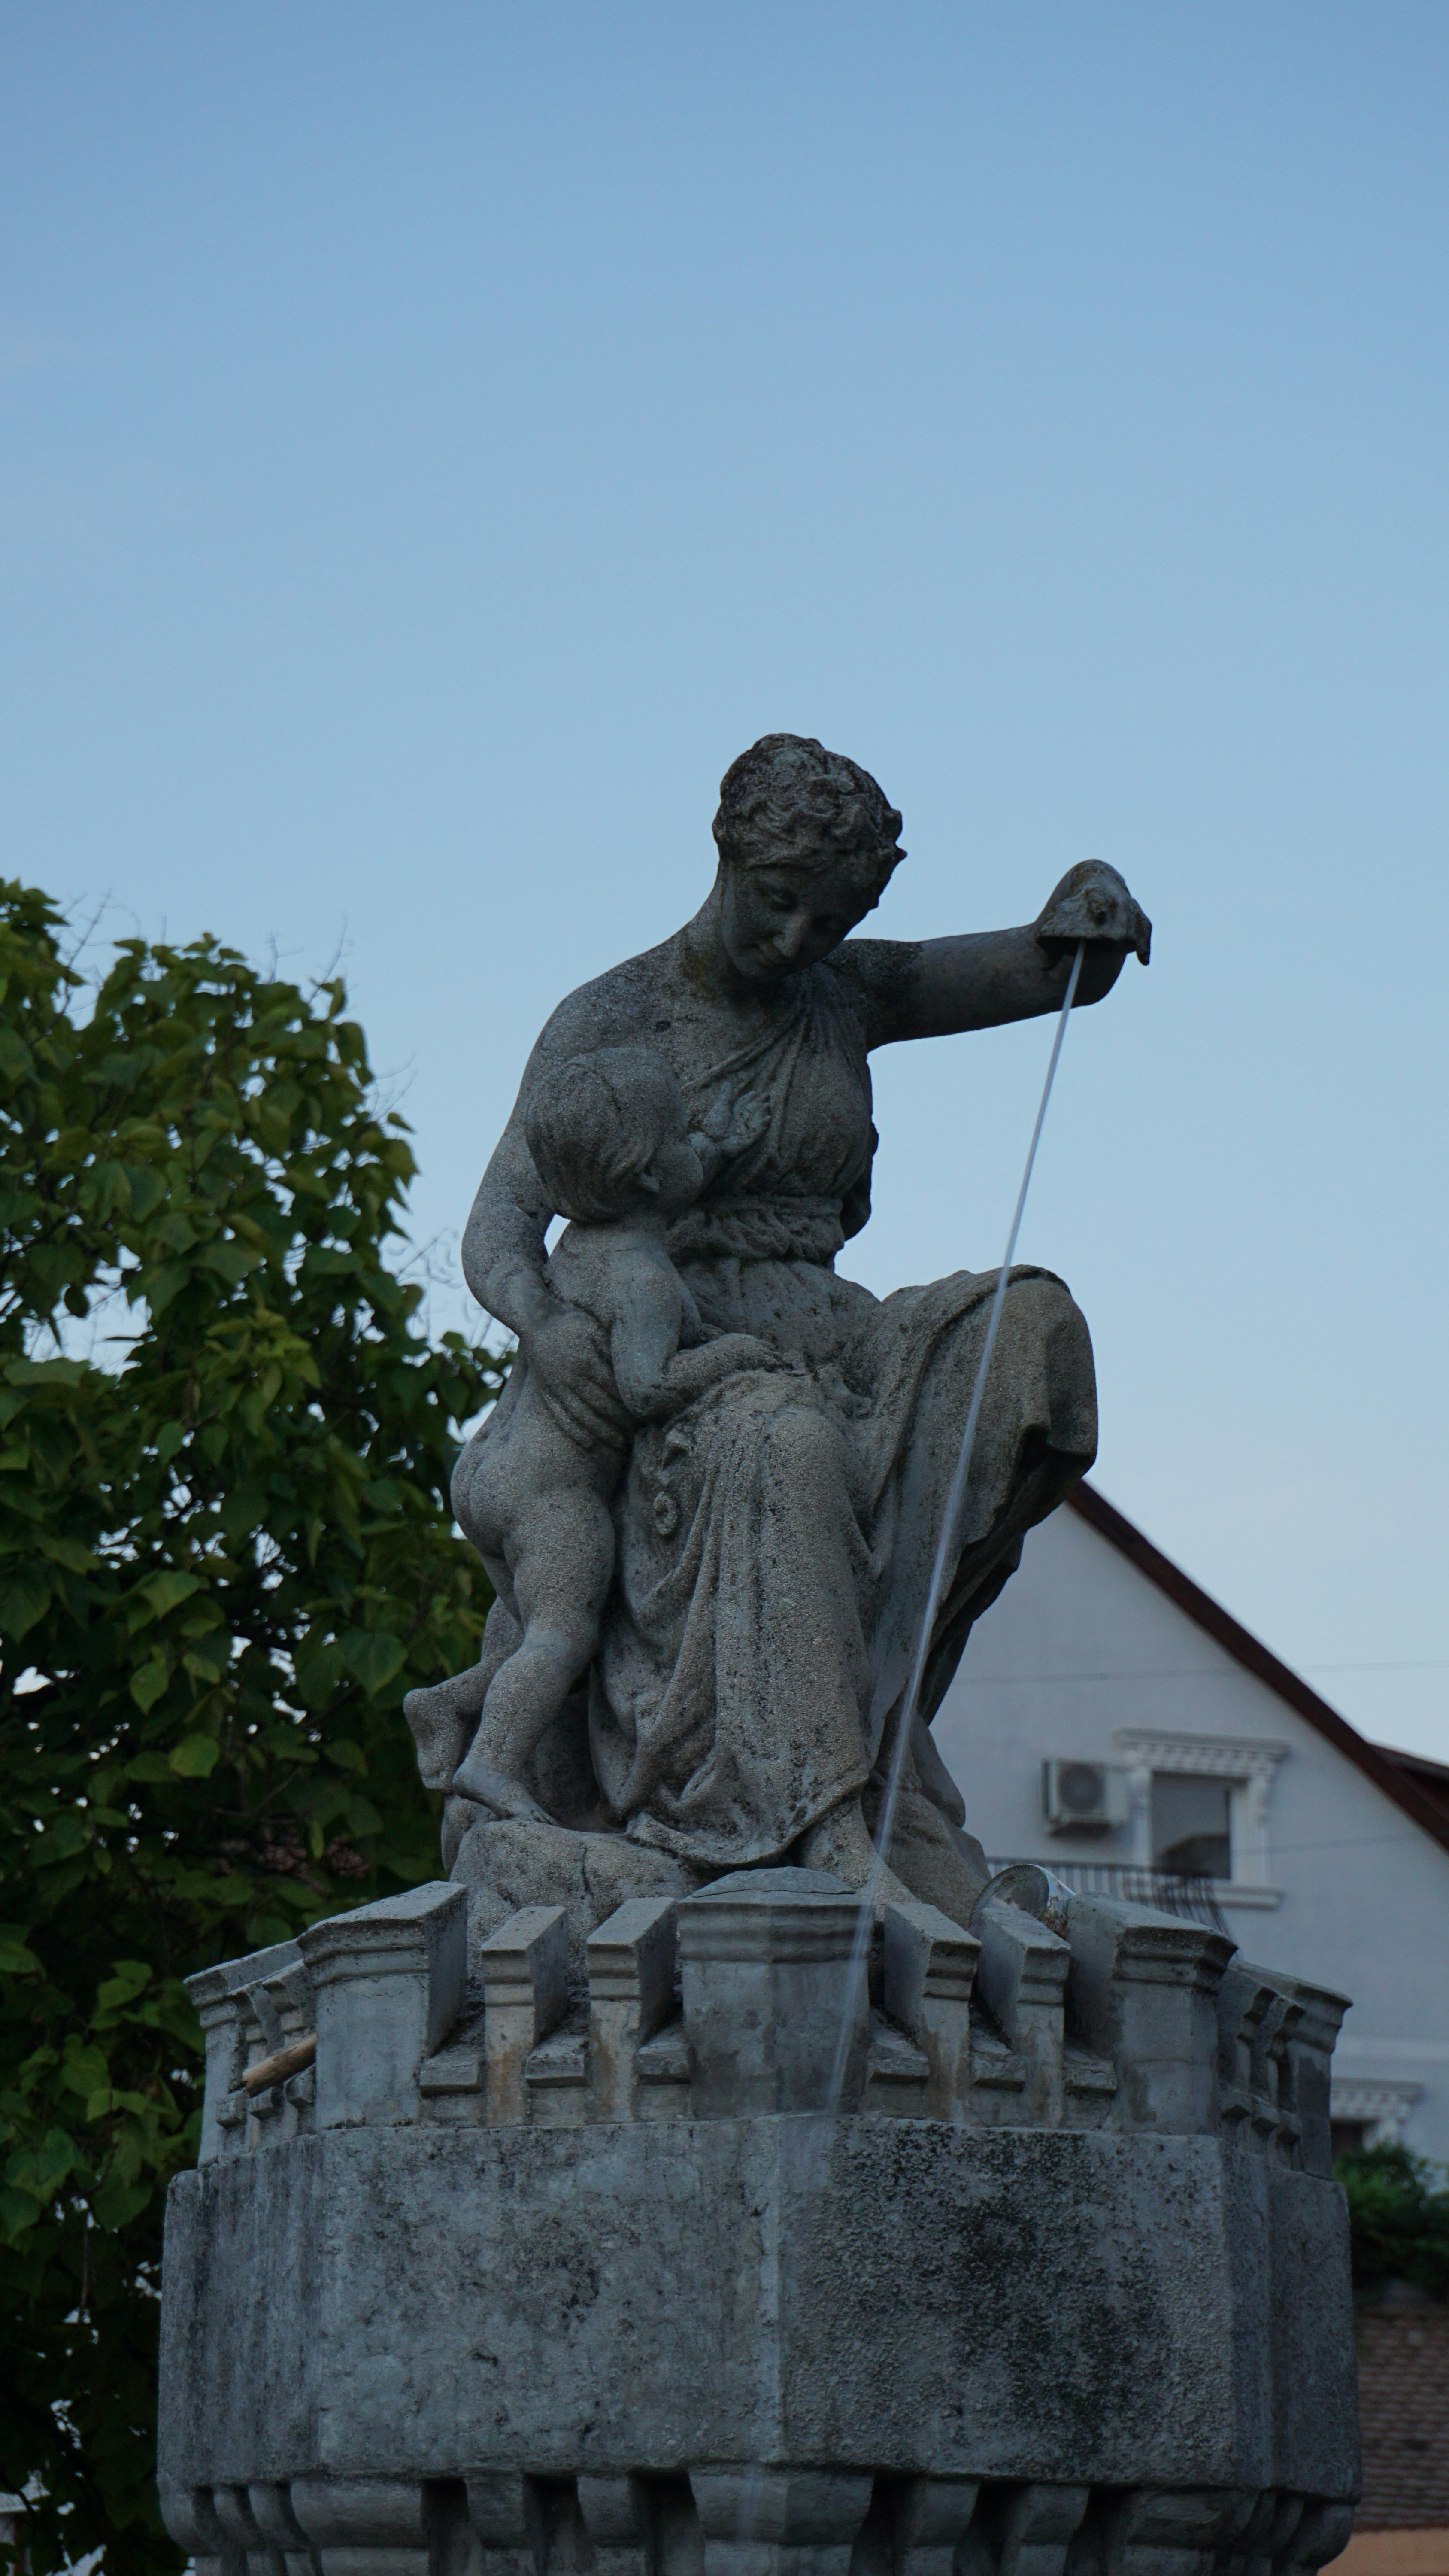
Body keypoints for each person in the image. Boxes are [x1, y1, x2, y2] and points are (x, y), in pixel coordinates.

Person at [450, 733, 1150, 1928]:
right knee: (786, 1440)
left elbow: (1045, 969)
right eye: (776, 908)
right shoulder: (612, 1017)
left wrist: (1090, 906)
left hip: (829, 1323)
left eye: (825, 923)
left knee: (1026, 1335)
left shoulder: (847, 993)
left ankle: (879, 1732)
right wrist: (547, 1328)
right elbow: (498, 1227)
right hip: (674, 1350)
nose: (794, 945)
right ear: (727, 859)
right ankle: (820, 1821)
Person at [429, 1047, 781, 1820]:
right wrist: (735, 1353)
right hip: (552, 1495)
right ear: (653, 1177)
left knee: (532, 1634)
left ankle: (449, 1704)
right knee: (564, 1637)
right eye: (685, 1135)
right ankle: (490, 1763)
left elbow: (665, 1183)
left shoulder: (577, 1250)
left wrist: (718, 1147)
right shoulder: (646, 1281)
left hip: (485, 1471)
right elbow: (647, 1386)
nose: (698, 1145)